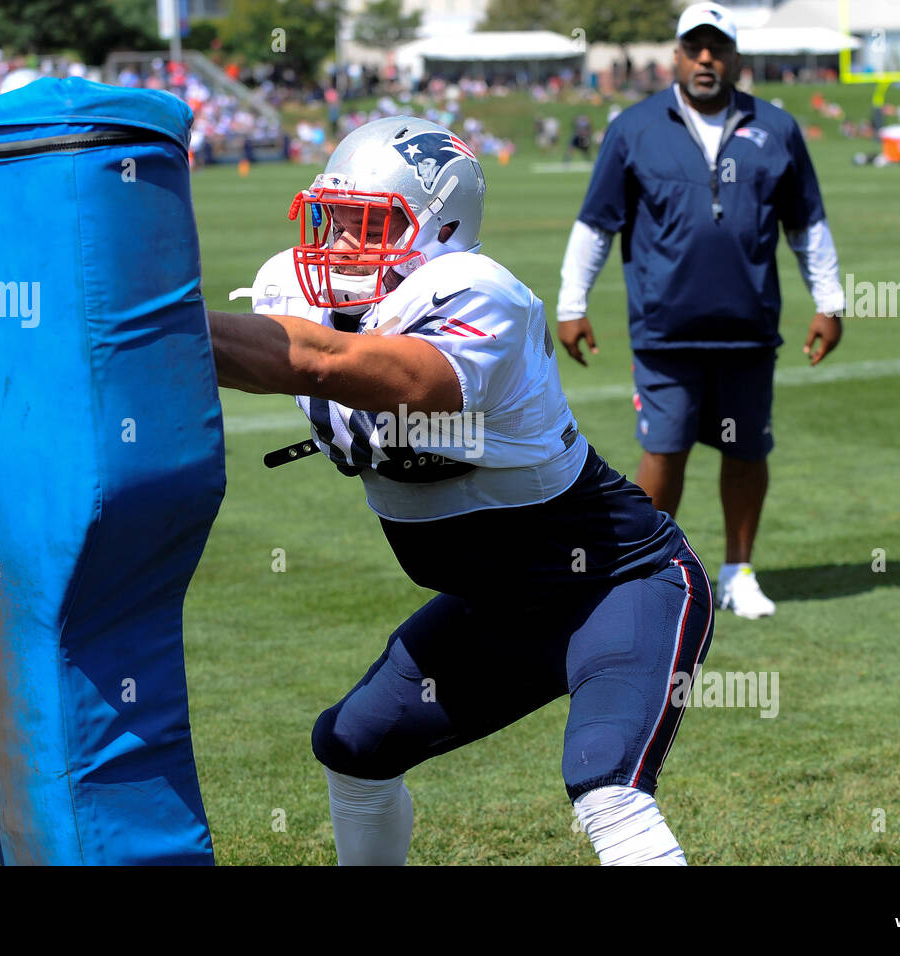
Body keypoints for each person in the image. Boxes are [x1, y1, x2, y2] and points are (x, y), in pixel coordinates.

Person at [209, 115, 714, 865]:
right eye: (334, 218)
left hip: (619, 584)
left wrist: (160, 327)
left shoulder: (480, 295)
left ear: (443, 227)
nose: (340, 243)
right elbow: (285, 357)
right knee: (355, 746)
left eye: (369, 223)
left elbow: (343, 369)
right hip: (499, 606)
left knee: (606, 787)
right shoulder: (298, 289)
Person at [556, 2, 845, 620]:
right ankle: (645, 578)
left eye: (717, 48)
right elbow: (596, 224)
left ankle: (739, 571)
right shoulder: (635, 127)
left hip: (747, 331)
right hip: (666, 332)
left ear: (736, 58)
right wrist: (572, 303)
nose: (706, 59)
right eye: (695, 47)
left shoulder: (777, 127)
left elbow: (807, 224)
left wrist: (830, 301)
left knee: (747, 454)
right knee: (664, 454)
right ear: (677, 55)